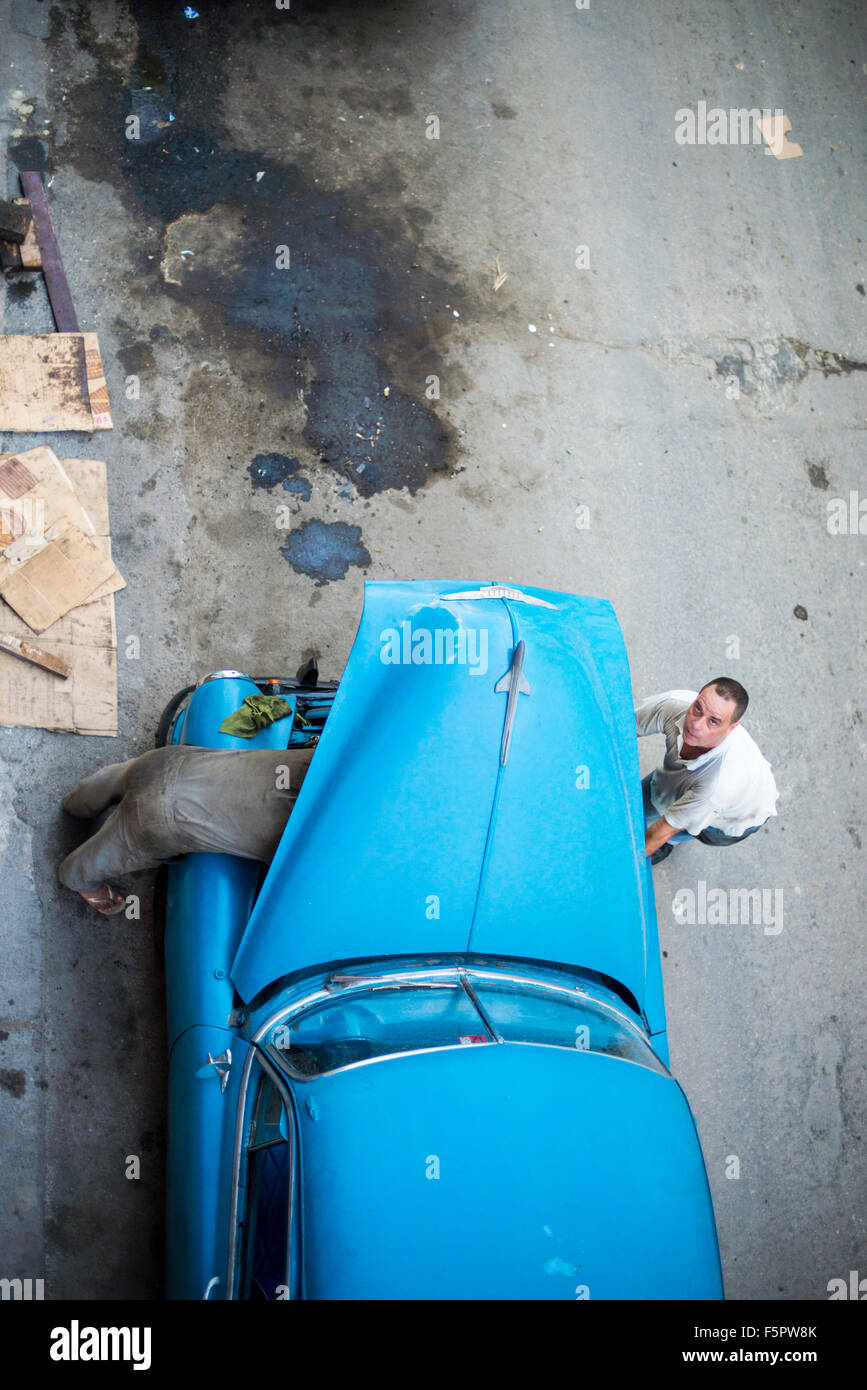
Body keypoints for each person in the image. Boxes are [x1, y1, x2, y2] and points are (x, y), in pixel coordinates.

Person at [59, 744, 315, 914]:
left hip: (173, 760)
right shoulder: (324, 847)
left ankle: (77, 803)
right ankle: (79, 878)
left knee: (123, 776)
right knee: (83, 868)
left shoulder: (341, 763)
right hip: (163, 817)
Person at [635, 679, 778, 865]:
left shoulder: (719, 787)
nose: (696, 725)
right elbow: (619, 733)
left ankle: (670, 844)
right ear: (697, 695)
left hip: (735, 815)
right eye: (698, 708)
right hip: (688, 780)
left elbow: (659, 833)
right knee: (648, 799)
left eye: (713, 721)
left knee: (686, 828)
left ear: (731, 728)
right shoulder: (673, 704)